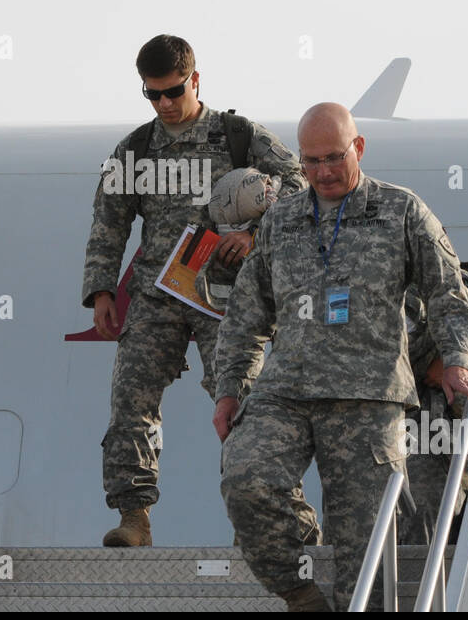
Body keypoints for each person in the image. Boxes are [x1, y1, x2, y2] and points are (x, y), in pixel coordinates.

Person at [215, 102, 468, 611]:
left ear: (358, 148)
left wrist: (457, 362)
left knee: (367, 550)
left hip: (368, 397)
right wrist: (230, 389)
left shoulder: (400, 211)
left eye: (333, 158)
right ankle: (299, 592)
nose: (322, 172)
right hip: (286, 391)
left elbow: (449, 293)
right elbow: (248, 314)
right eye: (310, 161)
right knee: (245, 477)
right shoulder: (281, 220)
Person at [81, 34, 317, 547]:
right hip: (158, 294)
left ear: (195, 79)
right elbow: (109, 221)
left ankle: (266, 519)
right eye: (152, 94)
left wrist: (251, 233)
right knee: (130, 400)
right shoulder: (137, 150)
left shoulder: (238, 136)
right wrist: (102, 290)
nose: (164, 103)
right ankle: (134, 516)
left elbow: (299, 184)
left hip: (228, 293)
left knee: (244, 402)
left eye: (173, 91)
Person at [399, 270, 468, 547]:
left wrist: (454, 359)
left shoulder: (463, 282)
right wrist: (435, 360)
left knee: (427, 505)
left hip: (438, 419)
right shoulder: (377, 277)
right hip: (383, 412)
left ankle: (425, 583)